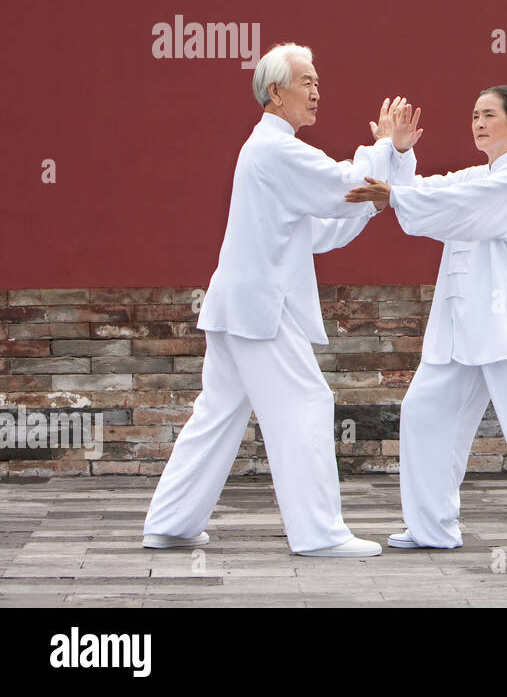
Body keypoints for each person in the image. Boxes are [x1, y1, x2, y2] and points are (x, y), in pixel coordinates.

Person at [142, 43, 418, 557]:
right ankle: (319, 535)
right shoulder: (274, 148)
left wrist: (393, 159)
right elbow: (345, 183)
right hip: (258, 311)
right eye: (307, 82)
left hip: (239, 307)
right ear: (275, 91)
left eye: (317, 82)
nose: (317, 91)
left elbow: (322, 228)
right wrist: (384, 147)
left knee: (219, 413)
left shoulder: (268, 150)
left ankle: (170, 523)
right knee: (306, 404)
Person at [345, 86, 507, 556]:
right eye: (474, 116)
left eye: (489, 115)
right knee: (423, 411)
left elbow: (462, 210)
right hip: (459, 325)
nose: (479, 123)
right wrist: (400, 153)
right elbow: (434, 189)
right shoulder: (477, 174)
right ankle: (431, 528)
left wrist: (395, 196)